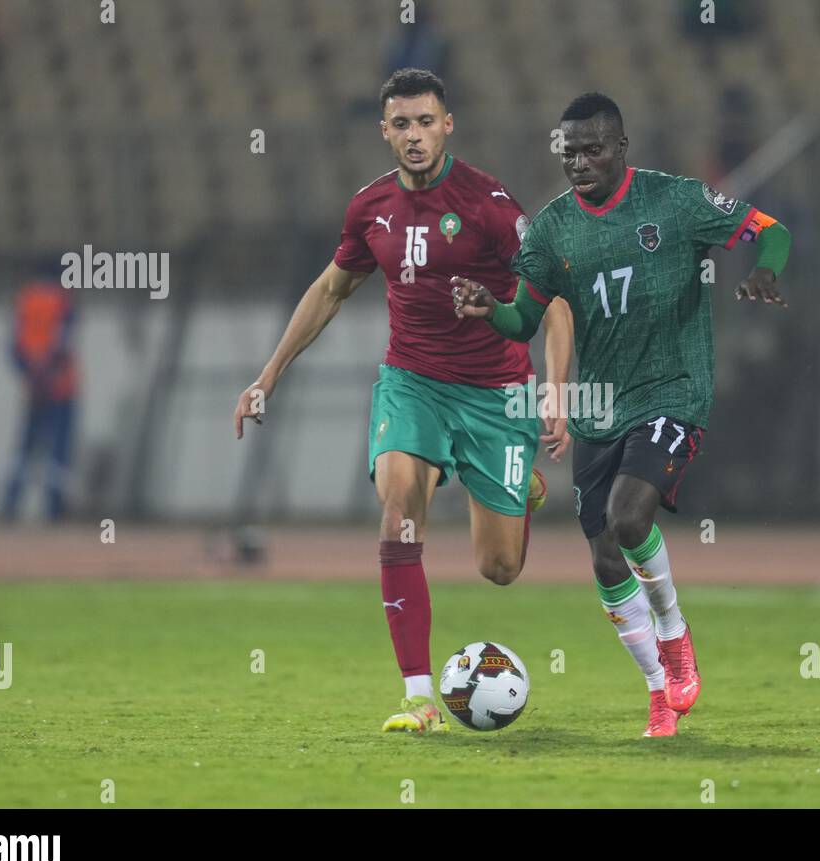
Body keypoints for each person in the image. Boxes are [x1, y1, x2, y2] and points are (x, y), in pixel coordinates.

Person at [233, 69, 573, 735]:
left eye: (425, 122)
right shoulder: (370, 208)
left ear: (448, 125)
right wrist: (267, 375)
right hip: (411, 382)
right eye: (401, 124)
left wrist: (555, 391)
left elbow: (553, 297)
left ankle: (522, 492)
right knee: (398, 513)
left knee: (499, 568)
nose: (414, 135)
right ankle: (419, 697)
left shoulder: (491, 206)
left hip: (494, 393)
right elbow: (333, 288)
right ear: (384, 131)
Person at [453, 92, 791, 737]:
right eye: (568, 151)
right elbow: (525, 316)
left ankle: (675, 632)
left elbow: (770, 230)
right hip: (601, 407)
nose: (578, 162)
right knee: (606, 559)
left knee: (628, 516)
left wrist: (768, 272)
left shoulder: (674, 200)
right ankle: (659, 691)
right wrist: (485, 309)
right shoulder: (553, 229)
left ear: (620, 147)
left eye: (591, 149)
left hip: (673, 388)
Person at [2, 274, 78, 521]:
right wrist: (46, 373)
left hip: (34, 386)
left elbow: (14, 345)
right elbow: (64, 341)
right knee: (58, 451)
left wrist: (30, 373)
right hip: (60, 387)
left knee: (25, 448)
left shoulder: (25, 299)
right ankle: (54, 510)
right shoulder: (62, 299)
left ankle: (10, 506)